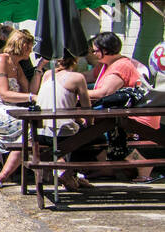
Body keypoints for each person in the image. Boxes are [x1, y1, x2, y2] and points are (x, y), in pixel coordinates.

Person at [87, 31, 158, 181]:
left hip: (133, 119)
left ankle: (136, 167)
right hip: (120, 116)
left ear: (105, 49)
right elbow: (88, 76)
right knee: (91, 128)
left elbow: (104, 93)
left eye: (95, 50)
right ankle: (109, 167)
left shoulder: (121, 66)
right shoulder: (106, 65)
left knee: (93, 128)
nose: (93, 53)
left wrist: (77, 92)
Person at [0, 29, 37, 189]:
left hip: (9, 111)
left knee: (35, 128)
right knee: (33, 128)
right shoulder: (0, 61)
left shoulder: (16, 65)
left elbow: (28, 90)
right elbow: (4, 94)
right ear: (23, 45)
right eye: (30, 47)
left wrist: (39, 69)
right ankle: (6, 173)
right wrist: (32, 97)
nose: (31, 51)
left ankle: (5, 172)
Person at [35, 55, 92, 192]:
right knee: (92, 135)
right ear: (75, 60)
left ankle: (72, 174)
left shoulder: (48, 75)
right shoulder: (77, 78)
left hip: (40, 130)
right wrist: (89, 123)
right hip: (59, 133)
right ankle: (68, 173)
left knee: (78, 131)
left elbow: (60, 104)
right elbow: (86, 108)